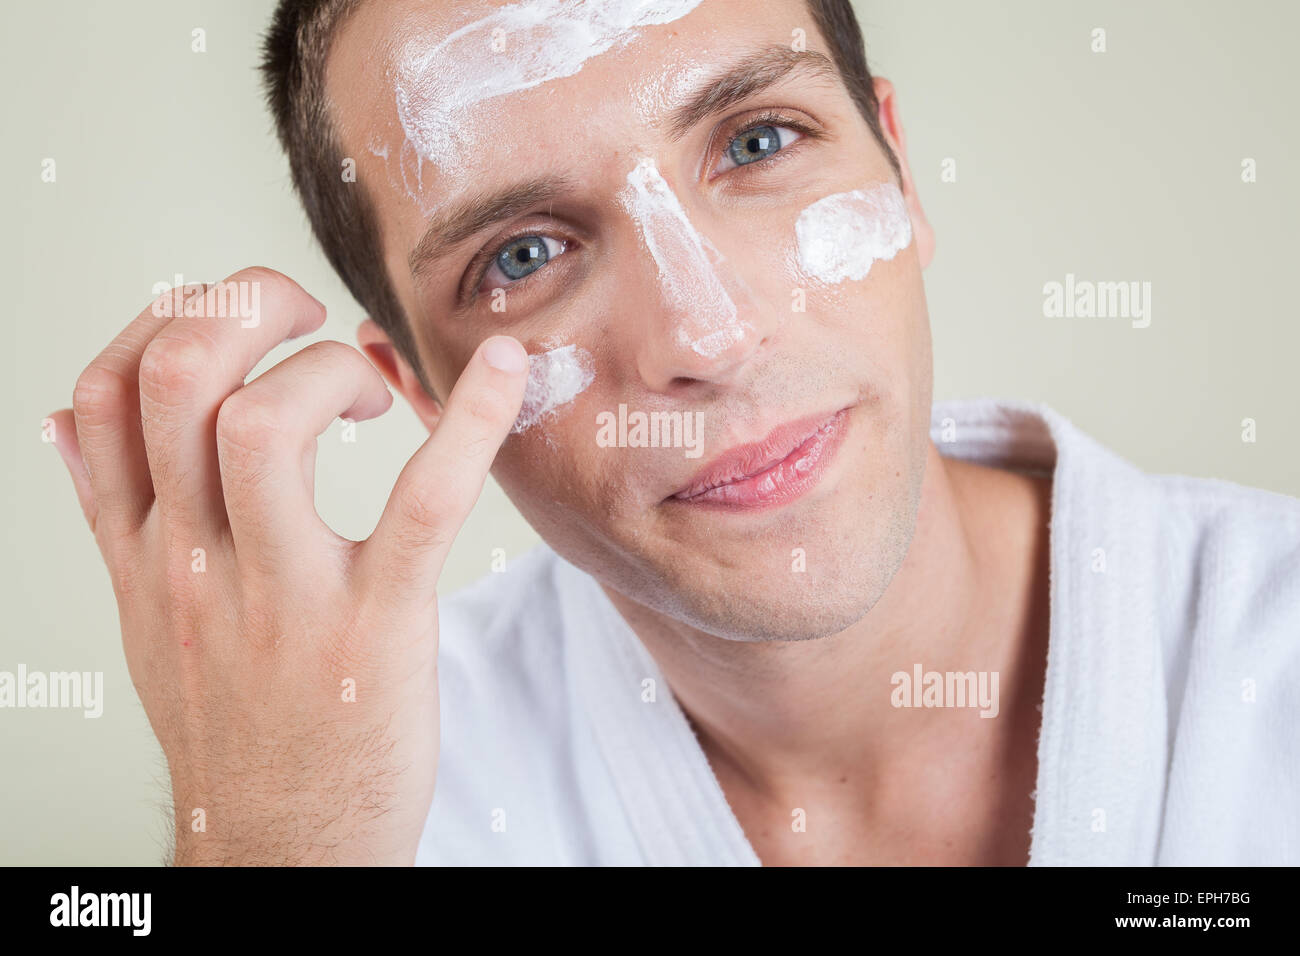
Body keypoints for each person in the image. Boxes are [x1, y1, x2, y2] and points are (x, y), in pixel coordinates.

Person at [48, 0, 1299, 866]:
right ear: (422, 390)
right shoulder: (359, 787)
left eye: (759, 142)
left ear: (900, 175)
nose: (706, 332)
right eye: (525, 254)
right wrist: (273, 839)